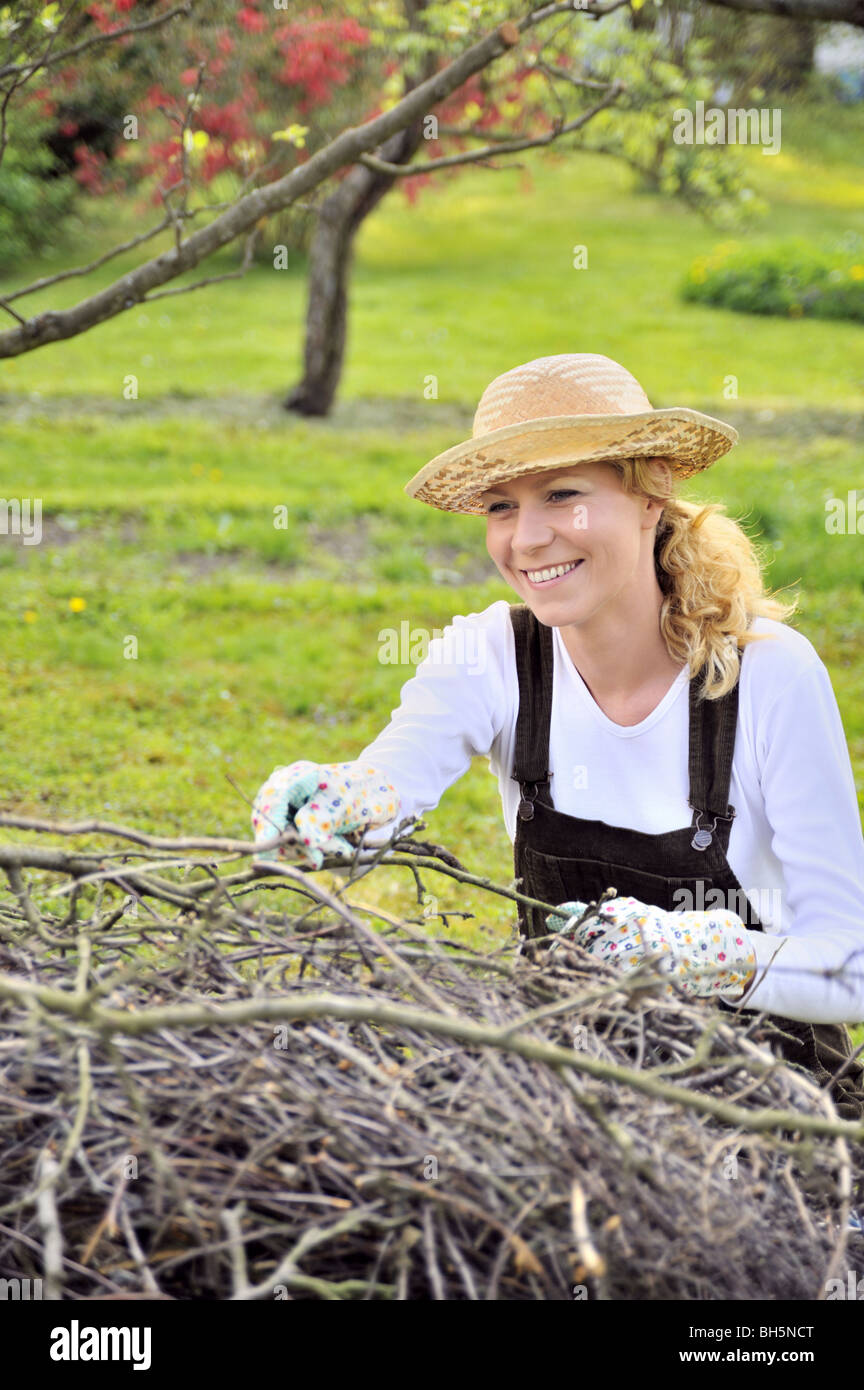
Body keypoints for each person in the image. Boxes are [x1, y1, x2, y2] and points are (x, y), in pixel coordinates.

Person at [251, 353, 864, 1119]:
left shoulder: (769, 677)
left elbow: (852, 964)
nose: (528, 538)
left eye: (563, 495)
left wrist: (696, 955)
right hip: (572, 1117)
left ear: (652, 492)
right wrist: (341, 803)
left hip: (773, 1119)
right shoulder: (491, 655)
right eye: (500, 507)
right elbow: (398, 773)